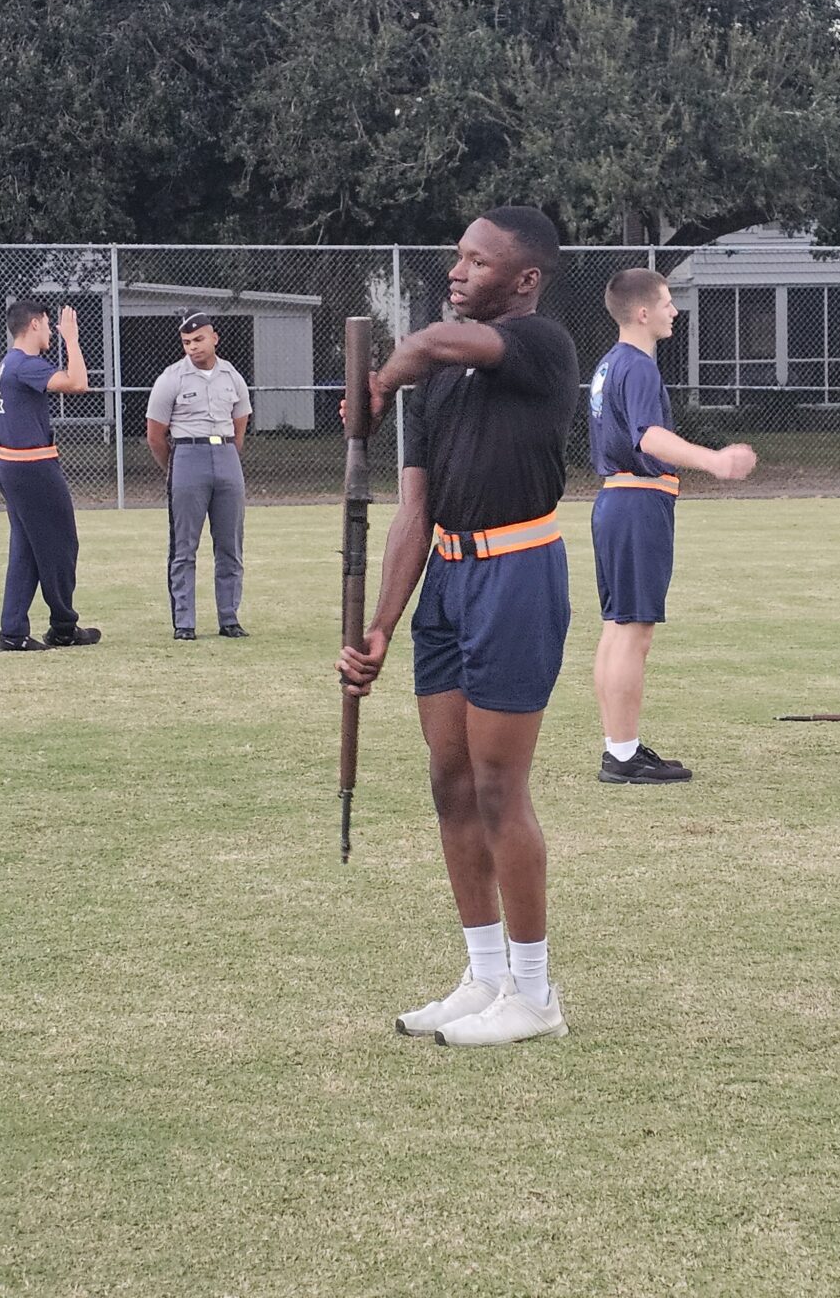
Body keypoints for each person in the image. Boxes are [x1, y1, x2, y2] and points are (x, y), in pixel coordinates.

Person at [337, 206, 581, 1048]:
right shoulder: (437, 379)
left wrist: (392, 367)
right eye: (457, 258)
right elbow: (413, 511)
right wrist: (378, 628)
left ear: (524, 279)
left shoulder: (544, 345)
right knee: (448, 783)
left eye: (478, 263)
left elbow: (437, 342)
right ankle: (484, 978)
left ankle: (537, 996)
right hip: (446, 575)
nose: (458, 271)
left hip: (519, 572)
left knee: (497, 788)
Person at [587, 267, 757, 784]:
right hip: (637, 504)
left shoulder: (609, 364)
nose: (674, 311)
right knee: (633, 632)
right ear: (642, 313)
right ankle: (621, 755)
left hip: (617, 503)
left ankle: (621, 746)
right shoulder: (637, 367)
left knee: (618, 629)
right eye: (666, 303)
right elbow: (650, 437)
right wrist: (714, 460)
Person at [0, 301, 100, 652]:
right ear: (35, 325)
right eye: (49, 326)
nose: (52, 332)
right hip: (30, 465)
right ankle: (64, 627)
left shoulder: (6, 363)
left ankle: (13, 631)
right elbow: (78, 383)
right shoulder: (25, 364)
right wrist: (72, 339)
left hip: (9, 463)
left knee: (26, 548)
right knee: (61, 545)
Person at [146, 312, 254, 640]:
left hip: (225, 456)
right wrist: (176, 469)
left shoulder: (231, 376)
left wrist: (227, 458)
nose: (193, 347)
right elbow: (155, 434)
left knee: (230, 544)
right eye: (187, 342)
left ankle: (229, 617)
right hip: (187, 455)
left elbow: (240, 423)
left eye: (199, 340)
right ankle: (184, 622)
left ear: (214, 338)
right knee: (184, 546)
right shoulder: (172, 378)